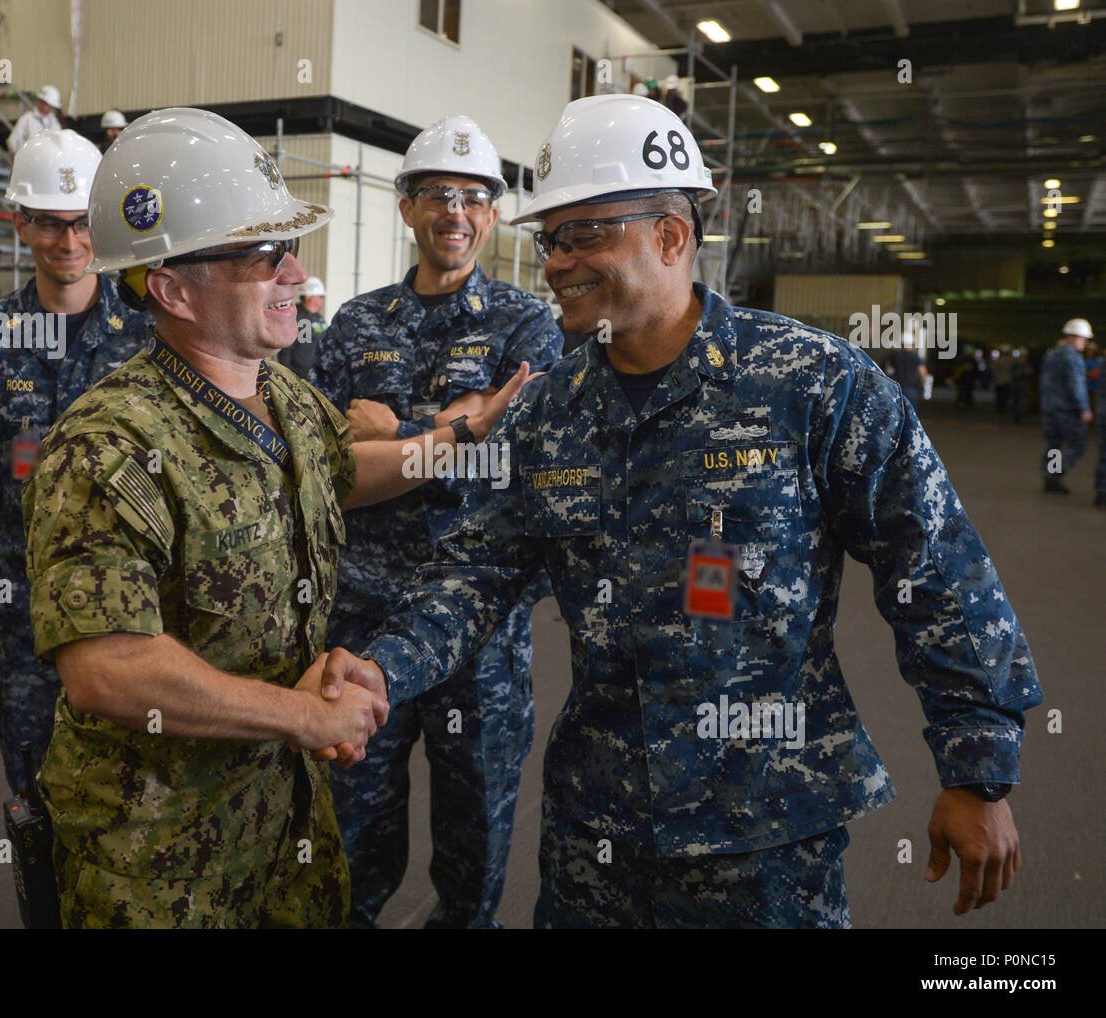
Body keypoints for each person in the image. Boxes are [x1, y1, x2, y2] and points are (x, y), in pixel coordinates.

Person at [314, 94, 1041, 928]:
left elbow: (939, 567)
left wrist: (978, 769)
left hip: (766, 842)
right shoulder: (550, 413)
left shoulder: (811, 382)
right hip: (596, 837)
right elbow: (477, 575)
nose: (554, 262)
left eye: (584, 235)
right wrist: (380, 669)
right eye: (550, 238)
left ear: (671, 233)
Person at [21, 108, 533, 928]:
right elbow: (107, 667)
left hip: (282, 823)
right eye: (264, 255)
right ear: (172, 287)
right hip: (160, 857)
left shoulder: (285, 395)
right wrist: (301, 713)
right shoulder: (106, 442)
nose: (296, 273)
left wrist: (455, 438)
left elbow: (340, 471)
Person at [309, 114, 562, 929]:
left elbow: (513, 463)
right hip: (363, 622)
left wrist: (395, 437)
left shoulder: (531, 327)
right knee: (349, 843)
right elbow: (332, 477)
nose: (455, 212)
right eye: (437, 196)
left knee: (476, 847)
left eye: (473, 198)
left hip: (479, 634)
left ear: (491, 214)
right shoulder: (355, 322)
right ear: (406, 207)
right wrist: (457, 426)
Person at [0, 128, 153, 794]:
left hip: (136, 611)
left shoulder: (153, 338)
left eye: (84, 224)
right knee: (36, 802)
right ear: (20, 223)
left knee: (136, 807)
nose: (70, 244)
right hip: (27, 615)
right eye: (51, 225)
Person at [1039, 318, 1093, 495]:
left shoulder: (1052, 354)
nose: (1085, 343)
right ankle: (1054, 474)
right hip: (1066, 411)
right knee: (1077, 444)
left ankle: (1049, 476)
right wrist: (1084, 408)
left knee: (1054, 443)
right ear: (1073, 337)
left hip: (1050, 409)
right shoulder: (1072, 358)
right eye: (1084, 339)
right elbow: (1076, 385)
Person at [274, 275, 326, 379]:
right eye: (321, 296)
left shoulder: (318, 318)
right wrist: (288, 377)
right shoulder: (295, 316)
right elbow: (285, 349)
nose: (322, 300)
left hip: (317, 376)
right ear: (311, 297)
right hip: (300, 378)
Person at [7, 85, 62, 156]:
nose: (50, 108)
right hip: (29, 160)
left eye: (52, 106)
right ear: (40, 101)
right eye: (48, 104)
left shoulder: (54, 122)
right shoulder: (27, 119)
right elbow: (13, 141)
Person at [883, 320, 926, 410]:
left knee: (899, 411)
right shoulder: (916, 357)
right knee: (911, 411)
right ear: (913, 343)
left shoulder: (896, 356)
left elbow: (888, 371)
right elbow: (922, 371)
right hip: (912, 388)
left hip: (898, 388)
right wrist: (923, 384)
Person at [1010, 347, 1031, 423]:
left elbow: (1028, 372)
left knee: (1020, 401)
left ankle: (1018, 416)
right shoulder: (1016, 364)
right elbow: (1013, 372)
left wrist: (1020, 372)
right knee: (1015, 401)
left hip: (1022, 384)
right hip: (1016, 384)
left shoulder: (1026, 364)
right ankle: (1015, 416)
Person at [992, 346, 1013, 416]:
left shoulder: (999, 360)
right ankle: (1003, 408)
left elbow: (994, 370)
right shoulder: (1011, 360)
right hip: (1007, 380)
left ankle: (1000, 408)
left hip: (999, 381)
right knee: (1005, 396)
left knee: (1000, 396)